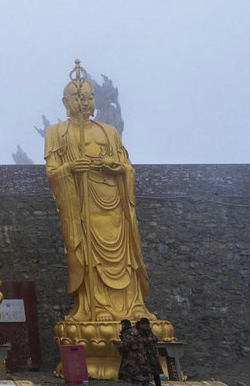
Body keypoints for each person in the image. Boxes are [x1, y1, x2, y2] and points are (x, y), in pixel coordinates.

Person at [45, 61, 153, 322]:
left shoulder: (110, 132)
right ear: (65, 101)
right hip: (82, 205)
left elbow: (128, 167)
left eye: (89, 97)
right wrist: (70, 167)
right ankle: (96, 306)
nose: (84, 102)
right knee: (91, 256)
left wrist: (119, 168)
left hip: (114, 204)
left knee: (124, 255)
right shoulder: (57, 132)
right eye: (78, 98)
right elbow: (52, 171)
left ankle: (132, 305)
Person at [118, 320, 151, 386]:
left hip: (133, 358)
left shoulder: (127, 333)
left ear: (123, 325)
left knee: (136, 378)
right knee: (144, 377)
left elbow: (126, 345)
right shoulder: (138, 331)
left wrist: (120, 348)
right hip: (143, 356)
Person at [136, 318, 163, 386]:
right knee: (145, 373)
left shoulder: (148, 331)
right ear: (142, 325)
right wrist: (148, 339)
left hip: (151, 353)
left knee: (156, 372)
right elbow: (139, 341)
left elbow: (155, 338)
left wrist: (150, 339)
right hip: (143, 354)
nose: (146, 327)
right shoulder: (137, 331)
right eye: (145, 325)